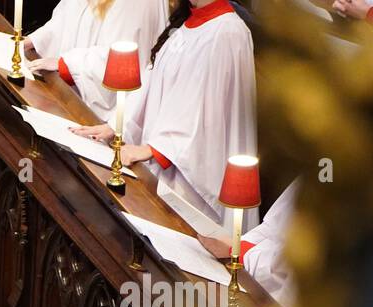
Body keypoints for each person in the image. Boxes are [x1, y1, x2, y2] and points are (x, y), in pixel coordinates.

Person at [71, 0, 258, 233]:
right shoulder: (187, 22)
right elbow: (153, 87)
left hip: (186, 177)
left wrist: (153, 150)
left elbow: (209, 113)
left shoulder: (228, 32)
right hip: (161, 163)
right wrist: (115, 126)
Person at [24, 0, 170, 121]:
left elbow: (122, 57)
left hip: (102, 115)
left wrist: (66, 64)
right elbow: (68, 16)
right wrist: (34, 39)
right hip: (64, 92)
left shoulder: (139, 4)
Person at [201, 178, 299, 307]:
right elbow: (273, 226)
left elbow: (286, 263)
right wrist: (238, 244)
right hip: (255, 266)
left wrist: (237, 251)